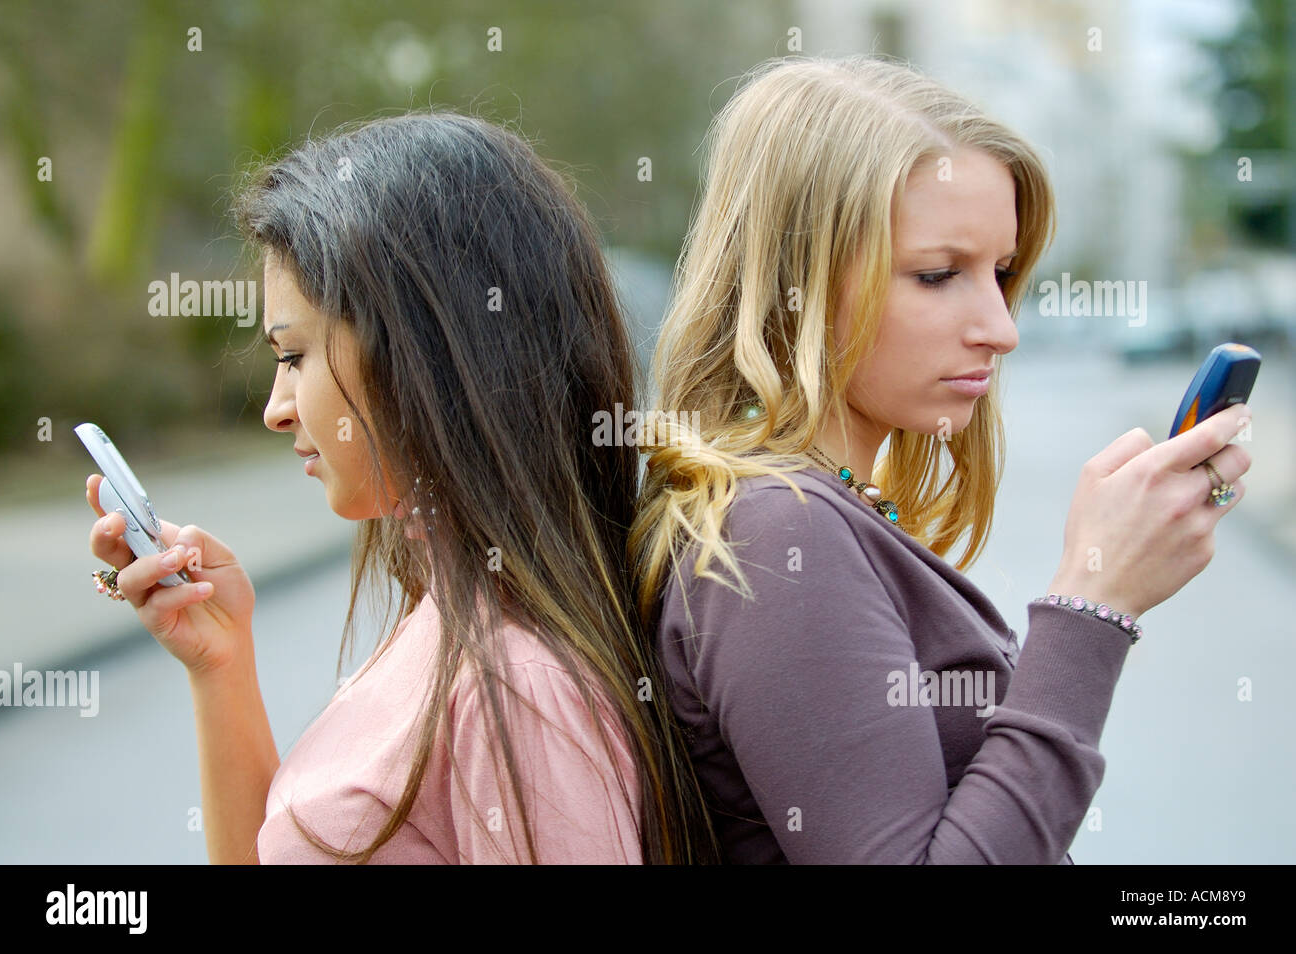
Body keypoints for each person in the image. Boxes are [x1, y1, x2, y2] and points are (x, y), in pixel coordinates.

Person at [629, 55, 1253, 864]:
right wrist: (1095, 603)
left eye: (1000, 274)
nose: (1001, 327)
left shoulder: (816, 508)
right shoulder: (777, 531)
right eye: (937, 274)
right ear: (797, 279)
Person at [84, 111, 715, 864]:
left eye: (294, 355)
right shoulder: (452, 616)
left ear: (419, 354)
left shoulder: (518, 691)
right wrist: (220, 666)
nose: (276, 408)